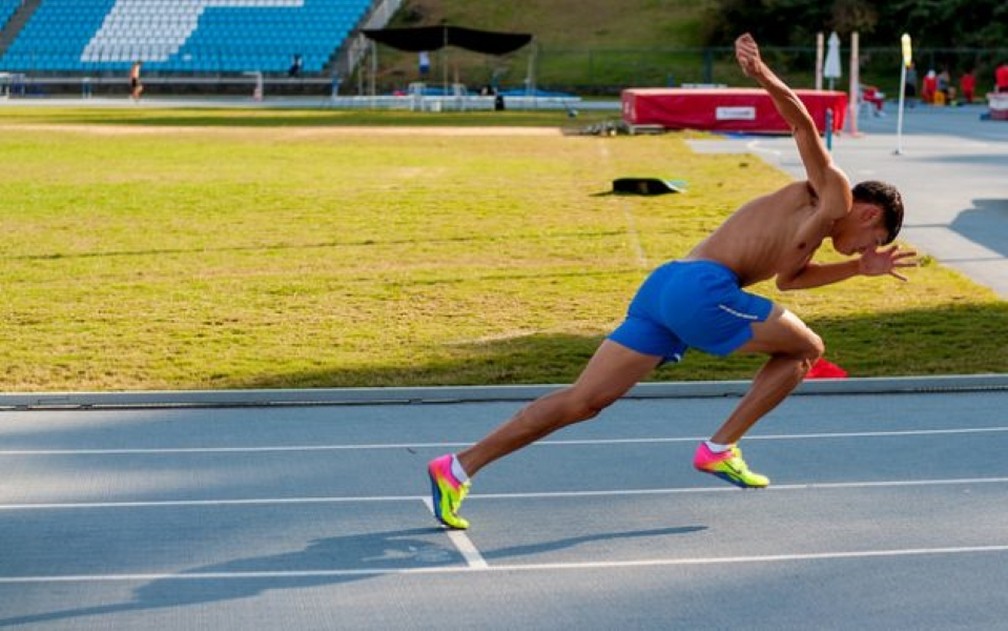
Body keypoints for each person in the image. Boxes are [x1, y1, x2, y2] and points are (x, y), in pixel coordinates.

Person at [427, 33, 915, 530]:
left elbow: (789, 282)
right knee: (807, 349)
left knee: (584, 401)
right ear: (870, 212)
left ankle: (459, 467)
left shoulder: (816, 233)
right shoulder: (832, 195)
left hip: (666, 290)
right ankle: (720, 447)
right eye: (873, 241)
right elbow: (802, 124)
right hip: (702, 290)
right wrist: (763, 75)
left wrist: (856, 269)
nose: (866, 250)